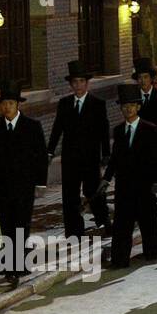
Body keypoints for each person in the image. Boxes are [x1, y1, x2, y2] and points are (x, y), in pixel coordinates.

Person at [101, 84, 157, 268]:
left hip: (145, 185)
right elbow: (115, 158)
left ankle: (152, 251)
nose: (128, 109)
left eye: (132, 105)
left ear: (138, 107)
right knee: (122, 224)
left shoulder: (150, 129)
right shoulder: (118, 131)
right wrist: (106, 178)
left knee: (148, 222)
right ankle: (119, 259)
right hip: (124, 186)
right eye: (124, 106)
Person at [48, 60, 111, 235]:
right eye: (75, 82)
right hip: (70, 158)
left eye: (81, 81)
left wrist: (106, 153)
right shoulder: (65, 103)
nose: (78, 85)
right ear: (71, 84)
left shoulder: (97, 104)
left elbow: (104, 130)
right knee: (70, 195)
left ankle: (103, 220)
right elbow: (57, 128)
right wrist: (50, 150)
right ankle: (73, 230)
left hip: (90, 157)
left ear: (87, 83)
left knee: (94, 191)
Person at [0, 81, 49, 287]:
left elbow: (40, 157)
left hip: (24, 188)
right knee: (7, 227)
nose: (7, 107)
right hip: (2, 188)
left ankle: (16, 267)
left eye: (11, 103)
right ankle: (14, 266)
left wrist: (40, 183)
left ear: (18, 104)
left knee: (21, 226)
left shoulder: (32, 127)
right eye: (4, 103)